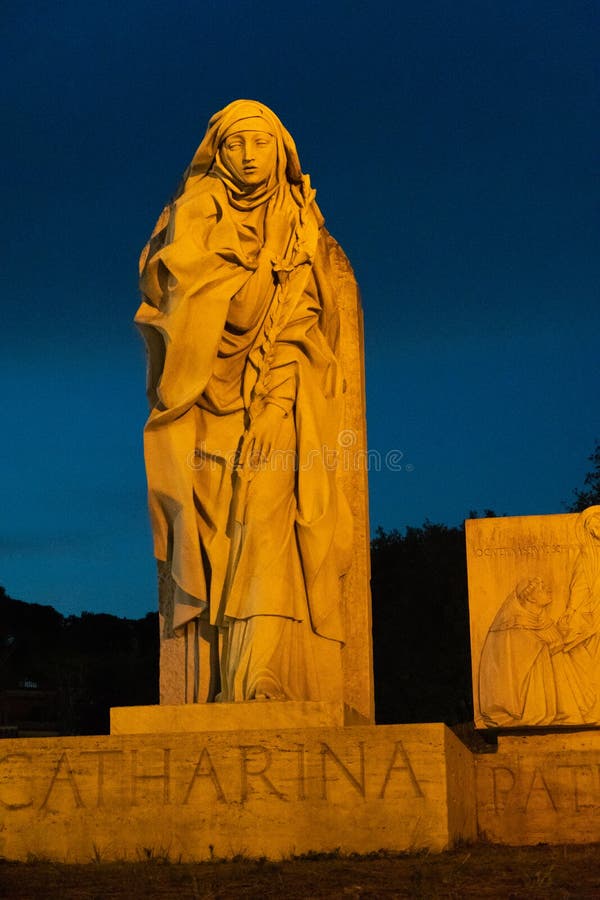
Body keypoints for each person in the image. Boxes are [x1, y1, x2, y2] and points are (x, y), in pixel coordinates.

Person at [135, 100, 354, 703]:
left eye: (259, 142)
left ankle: (260, 676)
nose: (248, 155)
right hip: (202, 403)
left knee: (265, 519)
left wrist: (279, 400)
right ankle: (212, 678)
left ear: (280, 149)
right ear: (218, 153)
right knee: (211, 542)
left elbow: (308, 318)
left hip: (280, 400)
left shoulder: (301, 224)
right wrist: (231, 270)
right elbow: (169, 300)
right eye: (234, 144)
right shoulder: (189, 216)